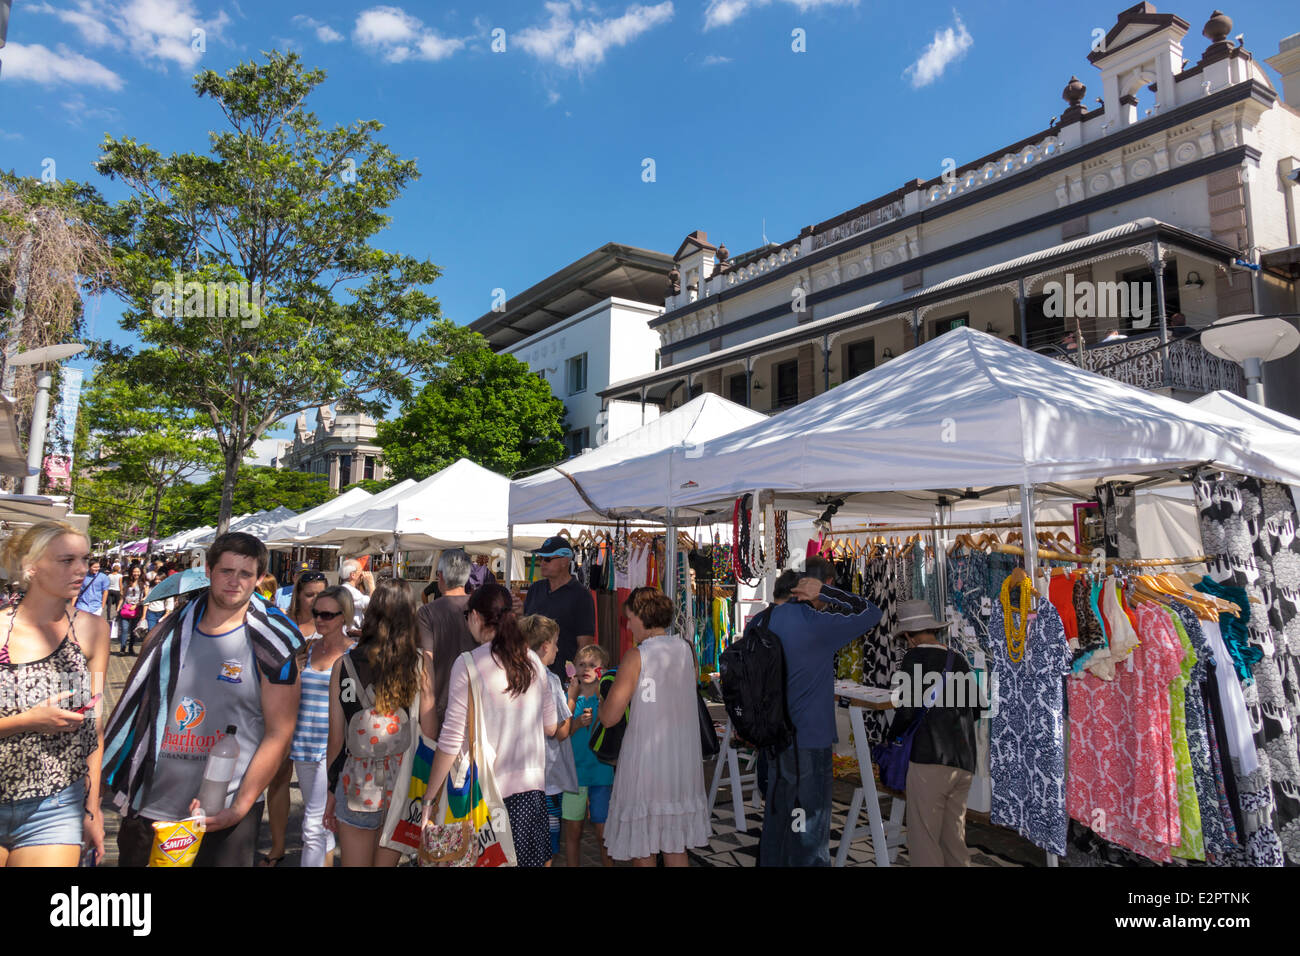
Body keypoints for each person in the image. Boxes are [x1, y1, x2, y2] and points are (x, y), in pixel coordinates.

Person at [103, 532, 304, 868]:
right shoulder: (165, 634)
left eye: (245, 574)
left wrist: (241, 805)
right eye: (227, 571)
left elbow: (280, 734)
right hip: (151, 805)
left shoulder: (274, 645)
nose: (234, 582)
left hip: (224, 812)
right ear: (208, 570)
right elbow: (131, 707)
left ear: (257, 579)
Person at [758, 557, 882, 867]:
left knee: (779, 817)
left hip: (773, 738)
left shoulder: (760, 620)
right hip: (808, 740)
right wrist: (830, 595)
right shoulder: (816, 625)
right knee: (809, 825)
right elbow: (873, 612)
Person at [424, 582, 558, 867]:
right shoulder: (533, 661)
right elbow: (551, 727)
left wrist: (429, 797)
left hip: (485, 797)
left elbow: (449, 741)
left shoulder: (469, 664)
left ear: (476, 616)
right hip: (531, 794)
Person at [0, 522, 110, 867]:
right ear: (32, 567)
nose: (81, 569)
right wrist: (26, 722)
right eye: (66, 560)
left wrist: (92, 808)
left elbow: (92, 726)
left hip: (55, 804)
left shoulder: (91, 630)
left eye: (85, 559)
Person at [323, 579, 434, 867]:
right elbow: (431, 732)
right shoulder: (421, 665)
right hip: (404, 783)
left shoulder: (343, 666)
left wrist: (331, 790)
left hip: (356, 782)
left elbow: (336, 739)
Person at [599, 587, 710, 866]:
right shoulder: (687, 649)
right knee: (675, 844)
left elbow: (609, 717)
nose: (628, 624)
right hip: (680, 758)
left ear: (642, 616)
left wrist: (600, 699)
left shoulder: (637, 656)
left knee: (643, 844)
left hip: (646, 759)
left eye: (630, 618)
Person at [884, 600, 978, 867]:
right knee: (954, 839)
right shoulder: (957, 659)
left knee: (924, 839)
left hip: (929, 760)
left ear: (908, 636)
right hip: (963, 761)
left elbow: (906, 712)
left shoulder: (914, 659)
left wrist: (891, 739)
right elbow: (977, 708)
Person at [260, 569, 327, 866]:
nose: (314, 601)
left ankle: (317, 848)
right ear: (298, 594)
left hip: (318, 716)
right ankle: (277, 846)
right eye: (309, 594)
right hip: (285, 710)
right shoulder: (283, 624)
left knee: (319, 791)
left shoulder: (333, 624)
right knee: (279, 778)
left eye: (320, 595)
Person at [291, 585, 355, 867]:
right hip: (304, 744)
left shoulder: (355, 655)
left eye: (328, 615)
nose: (319, 619)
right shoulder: (307, 648)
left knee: (313, 824)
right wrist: (294, 671)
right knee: (321, 822)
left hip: (335, 748)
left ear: (344, 617)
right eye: (317, 613)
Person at [520, 614, 578, 858]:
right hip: (549, 777)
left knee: (523, 841)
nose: (557, 648)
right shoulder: (552, 681)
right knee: (548, 846)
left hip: (519, 775)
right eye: (555, 643)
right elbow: (560, 732)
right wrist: (572, 697)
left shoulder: (513, 675)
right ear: (544, 646)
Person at [415, 549, 477, 736]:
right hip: (478, 703)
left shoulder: (427, 613)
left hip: (442, 705)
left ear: (440, 576)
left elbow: (427, 665)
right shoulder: (481, 607)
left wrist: (428, 716)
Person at [563, 643, 614, 867]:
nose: (586, 668)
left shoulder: (607, 697)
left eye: (592, 665)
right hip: (574, 776)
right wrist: (575, 723)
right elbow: (561, 733)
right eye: (581, 664)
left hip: (602, 774)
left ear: (602, 669)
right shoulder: (569, 699)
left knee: (603, 836)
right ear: (573, 668)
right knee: (572, 834)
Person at [521, 537, 595, 681]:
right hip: (530, 674)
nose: (542, 563)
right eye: (541, 558)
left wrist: (571, 677)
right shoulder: (535, 589)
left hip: (560, 677)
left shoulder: (581, 595)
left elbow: (585, 643)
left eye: (547, 559)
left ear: (564, 561)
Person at [116, 566, 146, 656]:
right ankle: (122, 648)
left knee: (133, 630)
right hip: (126, 608)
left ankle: (130, 648)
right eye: (134, 571)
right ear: (131, 572)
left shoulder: (144, 583)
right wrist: (118, 607)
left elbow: (146, 596)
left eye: (138, 571)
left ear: (141, 572)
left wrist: (136, 605)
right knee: (124, 629)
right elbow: (123, 595)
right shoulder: (127, 582)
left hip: (137, 609)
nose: (136, 573)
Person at [339, 558, 370, 627]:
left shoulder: (344, 588)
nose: (362, 574)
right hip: (352, 631)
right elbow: (371, 603)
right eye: (361, 571)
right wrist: (371, 583)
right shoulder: (349, 589)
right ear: (353, 575)